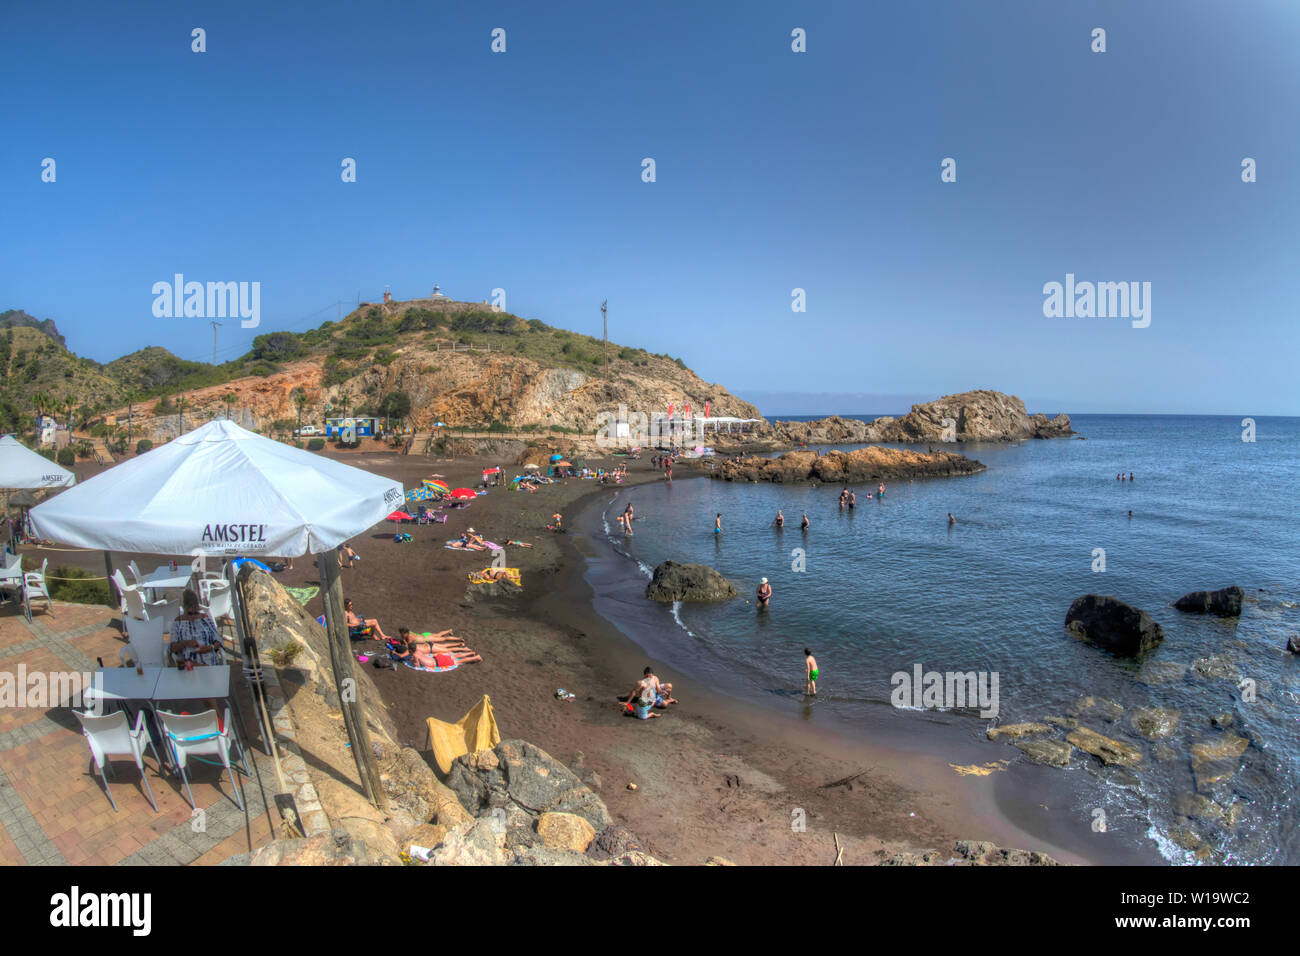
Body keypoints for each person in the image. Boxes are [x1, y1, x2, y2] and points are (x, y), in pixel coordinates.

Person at [169, 589, 224, 667]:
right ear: (184, 607)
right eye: (190, 613)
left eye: (195, 612)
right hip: (189, 664)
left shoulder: (205, 618)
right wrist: (186, 643)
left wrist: (210, 647)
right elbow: (172, 648)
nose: (193, 616)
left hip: (210, 660)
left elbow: (218, 640)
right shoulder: (178, 622)